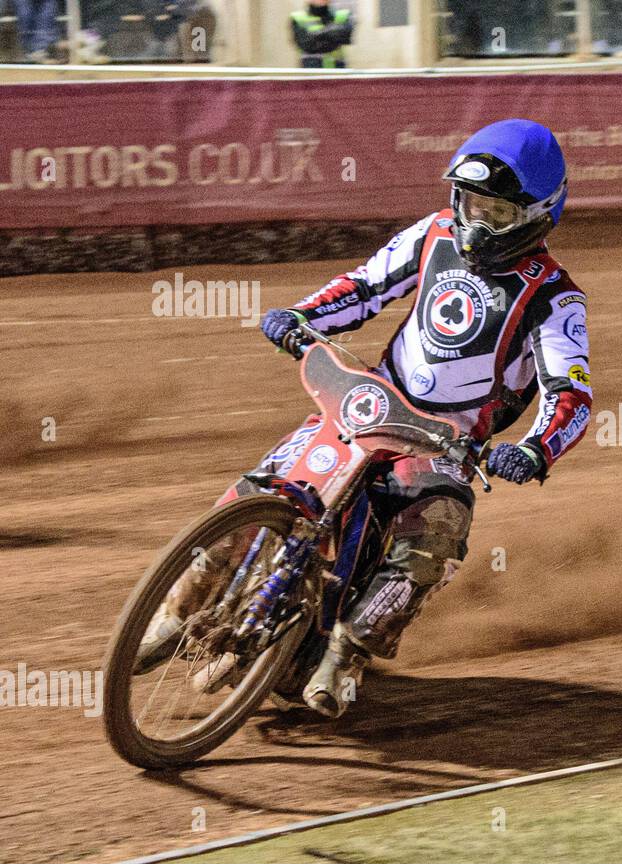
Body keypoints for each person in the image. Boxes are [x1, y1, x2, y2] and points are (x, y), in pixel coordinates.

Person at [140, 120, 590, 718]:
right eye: (469, 203)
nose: (476, 223)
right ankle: (174, 610)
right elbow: (363, 286)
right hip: (370, 402)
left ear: (538, 215)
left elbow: (570, 394)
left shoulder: (556, 298)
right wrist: (301, 318)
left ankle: (347, 655)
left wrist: (535, 450)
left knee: (434, 537)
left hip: (446, 443)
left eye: (498, 214)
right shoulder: (433, 235)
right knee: (259, 490)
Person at [290, 0, 353, 68]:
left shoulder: (342, 15)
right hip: (311, 73)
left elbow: (345, 37)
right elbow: (306, 44)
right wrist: (331, 32)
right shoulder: (297, 17)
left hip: (337, 73)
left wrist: (315, 35)